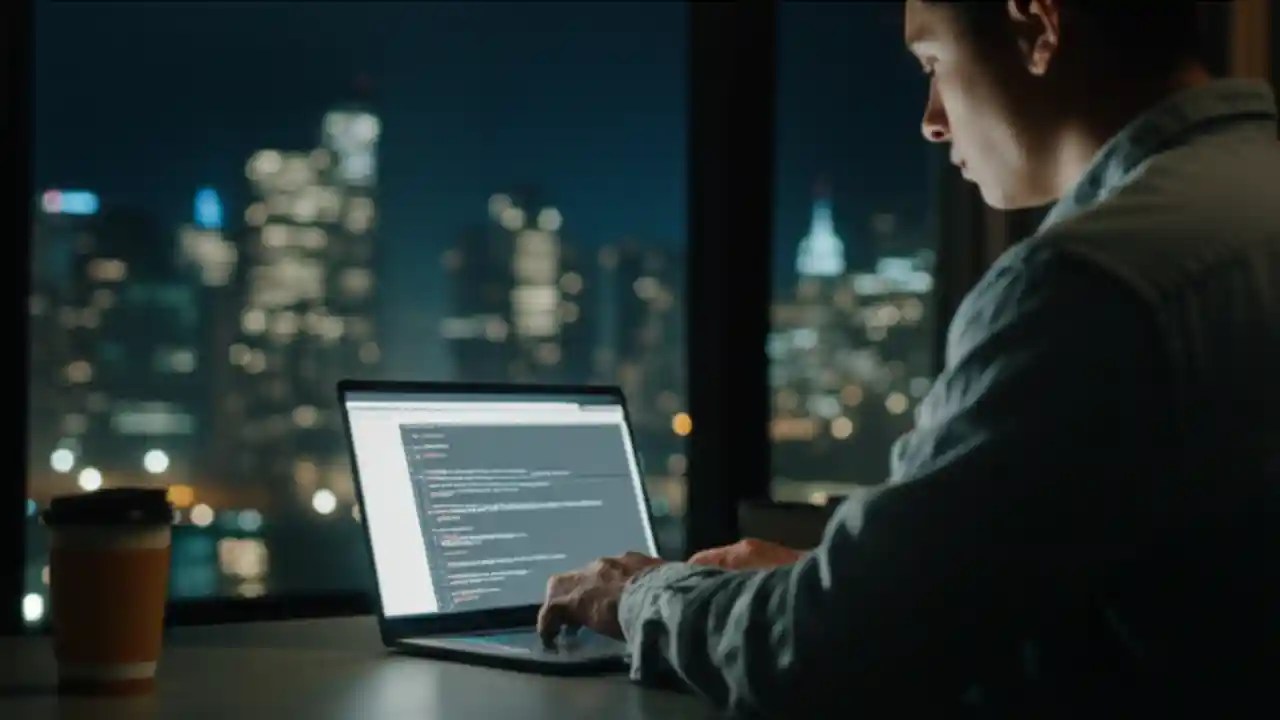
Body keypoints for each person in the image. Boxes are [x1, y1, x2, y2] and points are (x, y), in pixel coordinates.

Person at [538, 1, 1280, 715]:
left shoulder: (1086, 282)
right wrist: (850, 583)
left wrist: (642, 597)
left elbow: (823, 660)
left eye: (932, 61)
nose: (930, 120)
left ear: (1037, 26)